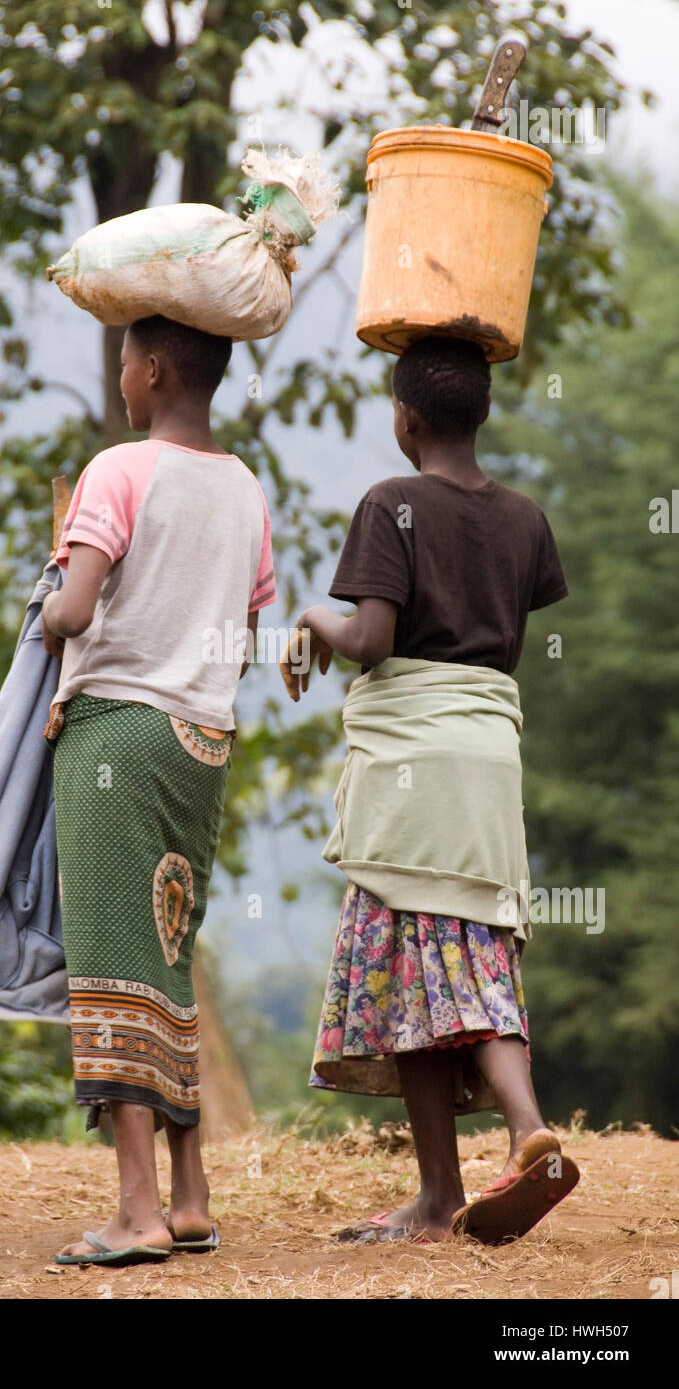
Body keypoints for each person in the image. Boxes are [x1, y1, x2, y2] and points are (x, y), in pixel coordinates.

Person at [280, 335, 578, 1246]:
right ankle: (468, 1175)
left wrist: (308, 616)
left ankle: (496, 1154)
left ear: (402, 417)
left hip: (413, 769)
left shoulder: (390, 503)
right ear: (480, 414)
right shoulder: (525, 519)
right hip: (488, 762)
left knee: (417, 962)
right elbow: (495, 635)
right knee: (463, 955)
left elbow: (371, 639)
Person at [41, 314, 275, 1267]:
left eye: (126, 362)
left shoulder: (117, 472)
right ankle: (188, 1198)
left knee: (111, 958)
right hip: (201, 741)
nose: (123, 377)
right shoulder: (245, 489)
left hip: (116, 734)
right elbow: (245, 637)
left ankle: (134, 1212)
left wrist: (54, 584)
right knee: (170, 951)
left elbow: (76, 609)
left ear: (155, 369)